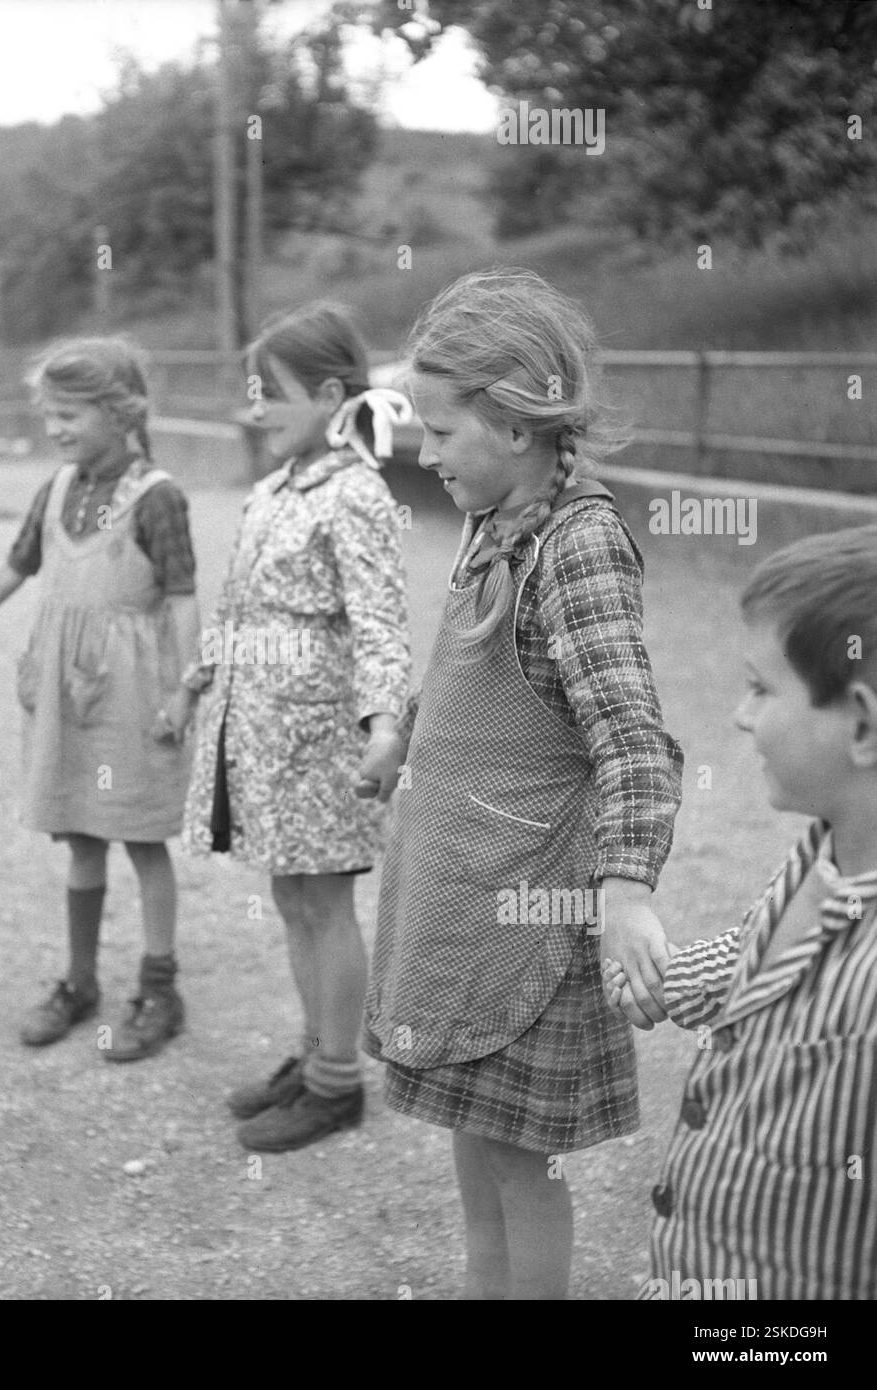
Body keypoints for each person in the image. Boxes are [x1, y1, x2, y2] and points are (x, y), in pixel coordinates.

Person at [362, 268, 684, 1299]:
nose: (424, 452)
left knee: (520, 1158)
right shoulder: (494, 522)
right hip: (461, 896)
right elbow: (466, 674)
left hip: (527, 910)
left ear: (513, 422)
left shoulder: (579, 544)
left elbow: (633, 737)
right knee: (473, 1126)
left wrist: (627, 887)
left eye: (441, 430)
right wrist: (400, 739)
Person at [603, 526, 877, 1301]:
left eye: (761, 689)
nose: (739, 717)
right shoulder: (828, 849)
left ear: (860, 723)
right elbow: (764, 954)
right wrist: (669, 980)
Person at [0, 337, 198, 1062]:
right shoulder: (57, 489)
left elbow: (185, 598)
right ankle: (79, 981)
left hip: (134, 696)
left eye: (69, 415)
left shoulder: (157, 496)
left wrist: (185, 689)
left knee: (142, 836)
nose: (56, 429)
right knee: (80, 833)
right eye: (49, 415)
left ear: (120, 412)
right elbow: (14, 570)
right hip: (68, 696)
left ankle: (160, 988)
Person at [171, 301, 412, 1153]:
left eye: (270, 393)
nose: (255, 409)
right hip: (260, 735)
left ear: (331, 394)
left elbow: (381, 621)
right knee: (289, 894)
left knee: (326, 899)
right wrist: (193, 684)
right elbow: (237, 605)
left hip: (321, 742)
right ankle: (316, 1053)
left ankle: (339, 1083)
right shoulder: (274, 489)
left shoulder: (357, 495)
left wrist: (387, 725)